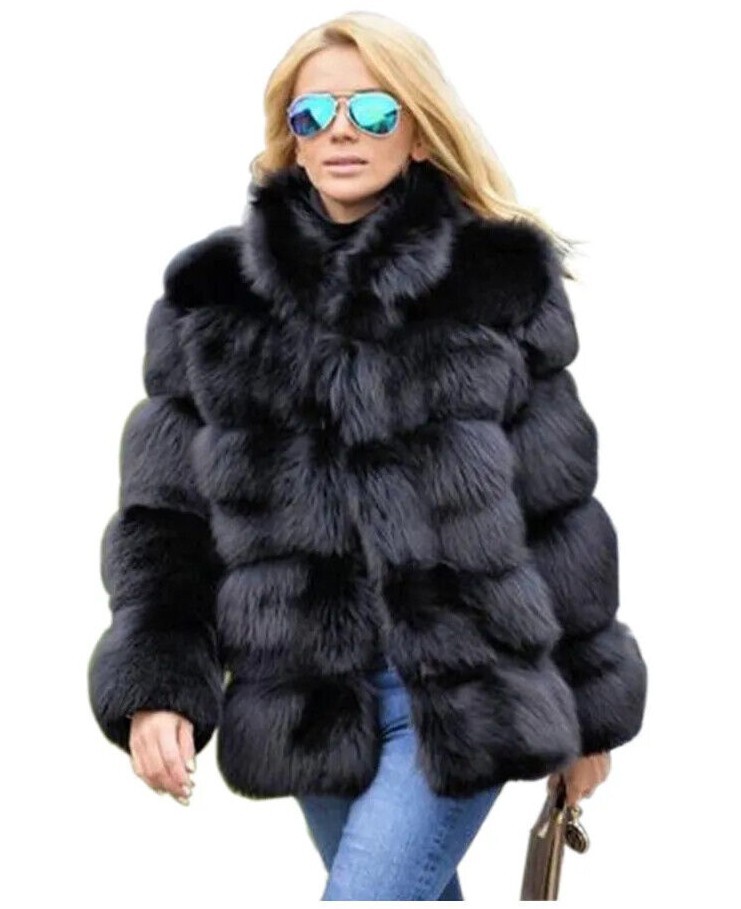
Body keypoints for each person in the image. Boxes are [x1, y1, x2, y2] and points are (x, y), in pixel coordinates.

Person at [87, 10, 648, 901]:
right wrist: (159, 679)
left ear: (418, 131)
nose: (341, 130)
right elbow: (165, 517)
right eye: (313, 114)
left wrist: (591, 708)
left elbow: (559, 509)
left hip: (470, 685)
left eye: (374, 110)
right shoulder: (213, 301)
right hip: (307, 695)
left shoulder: (495, 283)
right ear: (292, 138)